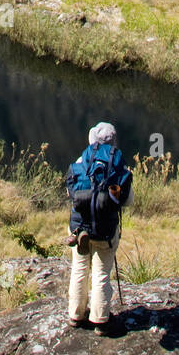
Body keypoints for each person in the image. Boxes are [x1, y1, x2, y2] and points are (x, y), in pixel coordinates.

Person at [65, 121, 133, 336]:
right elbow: (127, 200)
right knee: (101, 272)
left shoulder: (81, 161)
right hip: (106, 228)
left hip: (80, 226)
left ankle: (76, 315)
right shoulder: (117, 166)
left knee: (79, 269)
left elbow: (71, 193)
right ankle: (100, 320)